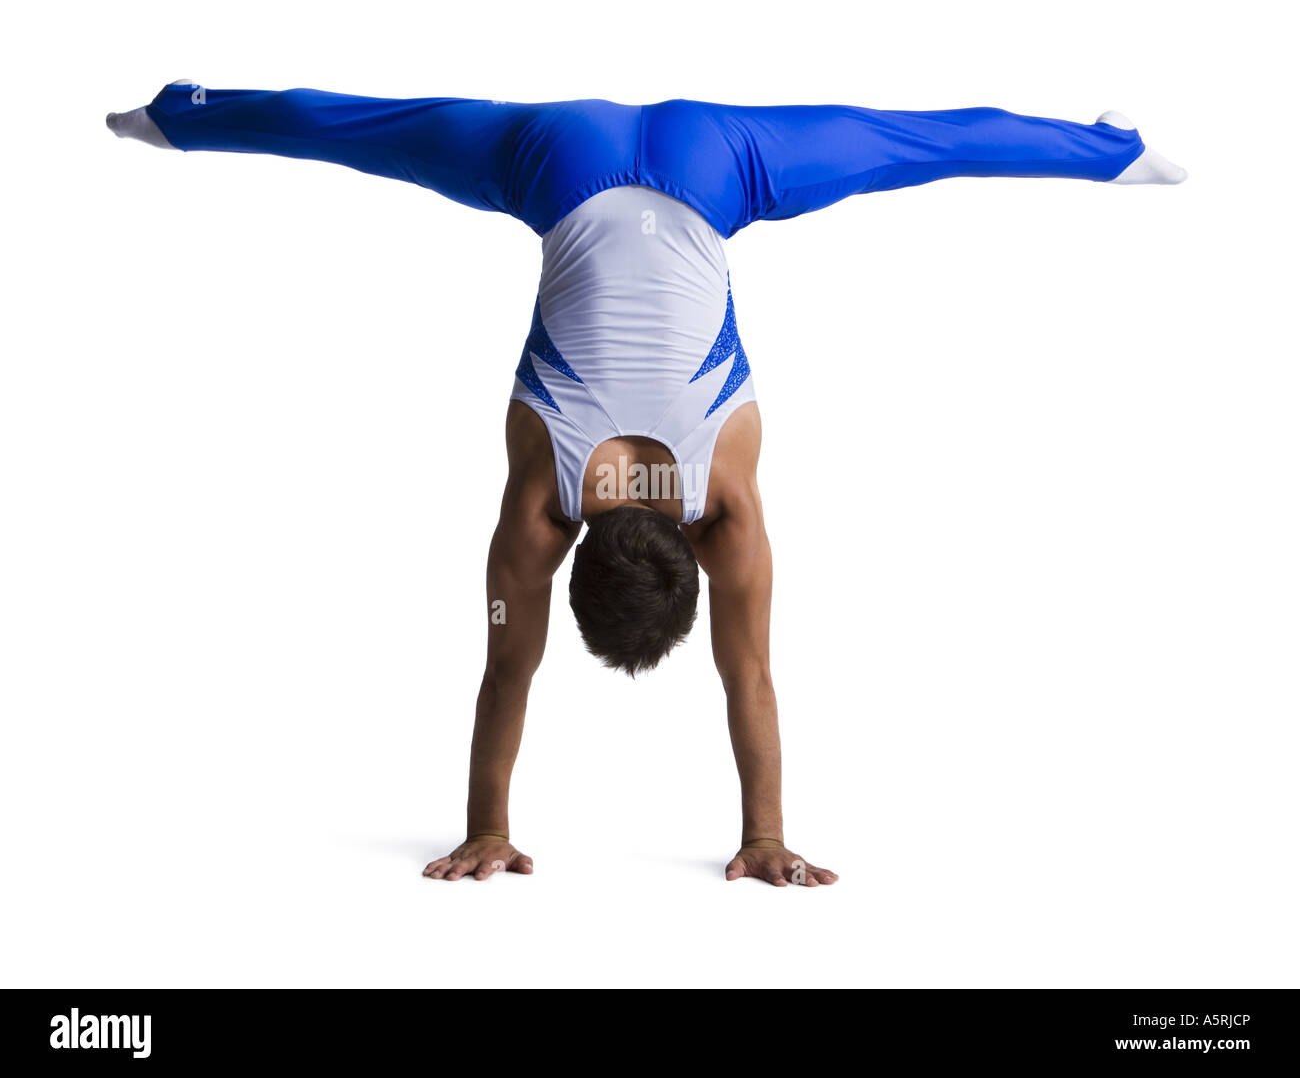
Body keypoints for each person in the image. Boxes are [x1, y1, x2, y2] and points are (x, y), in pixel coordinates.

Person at [108, 82, 1185, 886]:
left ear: (692, 558)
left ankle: (1115, 154)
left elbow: (748, 676)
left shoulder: (728, 493)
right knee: (374, 131)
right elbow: (506, 671)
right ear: (576, 556)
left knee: (905, 147)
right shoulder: (542, 500)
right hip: (558, 160)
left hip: (716, 167)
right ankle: (175, 116)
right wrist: (488, 821)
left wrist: (765, 834)